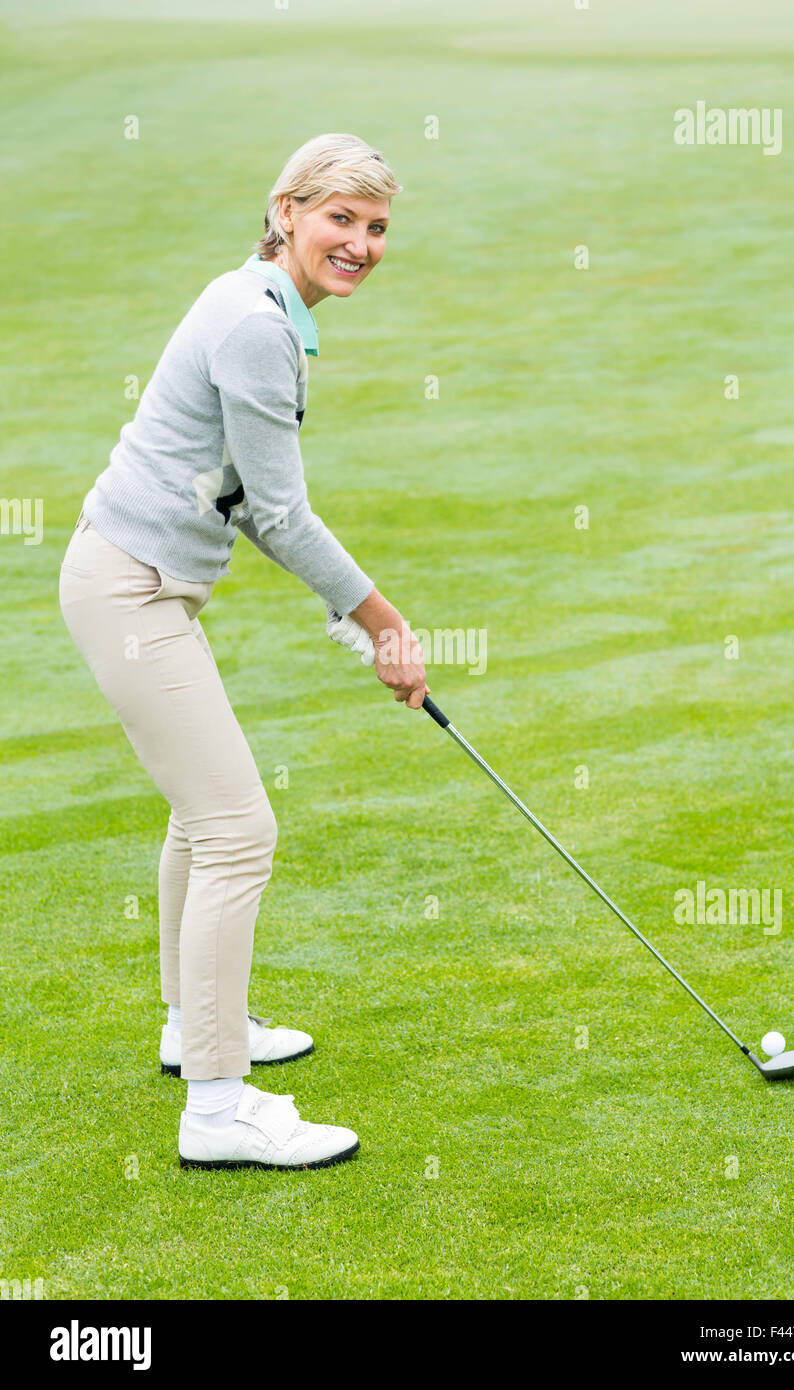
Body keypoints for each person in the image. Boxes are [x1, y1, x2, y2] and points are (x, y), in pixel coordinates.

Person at [58, 132, 428, 1171]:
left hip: (135, 586)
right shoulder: (258, 325)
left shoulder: (259, 304)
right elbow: (280, 508)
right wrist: (383, 624)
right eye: (339, 219)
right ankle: (218, 1108)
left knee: (202, 818)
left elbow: (247, 505)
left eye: (375, 227)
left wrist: (357, 625)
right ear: (285, 210)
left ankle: (194, 1026)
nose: (358, 243)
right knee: (237, 830)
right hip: (128, 592)